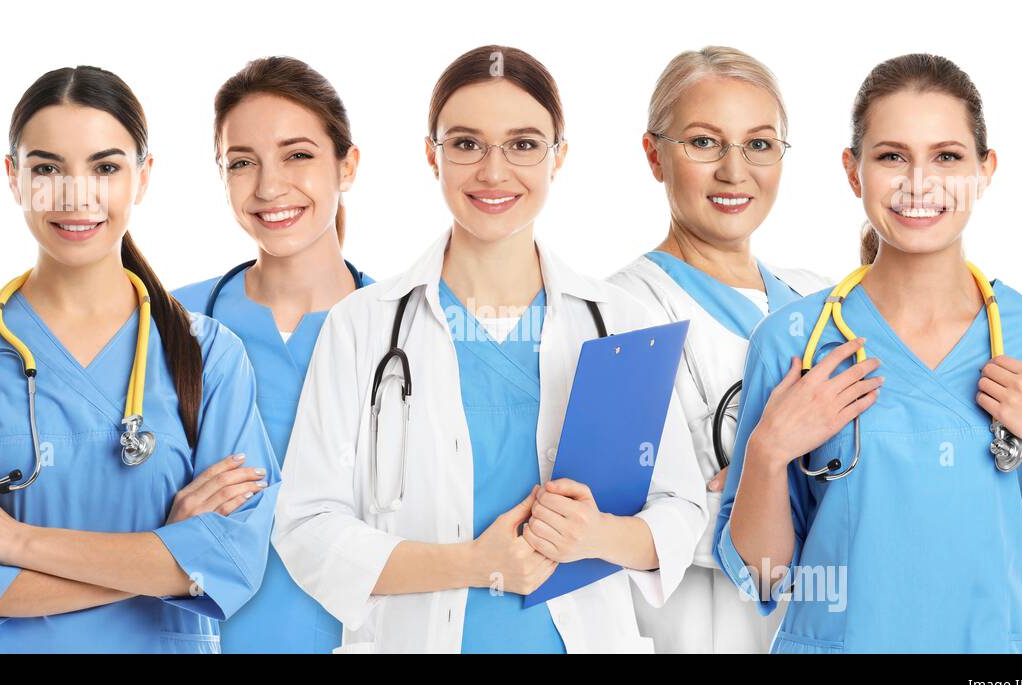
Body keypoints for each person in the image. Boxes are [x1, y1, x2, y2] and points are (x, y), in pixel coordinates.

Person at [274, 45, 707, 653]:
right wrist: (473, 564)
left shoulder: (619, 324)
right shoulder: (360, 328)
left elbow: (682, 510)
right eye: (467, 144)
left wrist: (597, 535)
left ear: (559, 157)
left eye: (524, 145)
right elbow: (306, 528)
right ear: (433, 155)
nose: (494, 172)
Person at [713, 54, 1022, 652]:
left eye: (947, 157)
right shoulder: (795, 340)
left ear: (985, 169)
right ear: (854, 172)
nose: (919, 183)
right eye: (892, 156)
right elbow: (765, 577)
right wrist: (767, 453)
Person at [0, 65, 278, 653]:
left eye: (105, 167)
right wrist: (162, 549)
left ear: (143, 177)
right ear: (13, 177)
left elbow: (228, 564)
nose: (76, 195)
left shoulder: (210, 357)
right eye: (47, 168)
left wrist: (13, 541)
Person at [609, 46, 830, 653]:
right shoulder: (617, 315)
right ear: (655, 155)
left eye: (759, 144)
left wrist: (748, 486)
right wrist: (773, 470)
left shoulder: (822, 300)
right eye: (704, 143)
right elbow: (617, 527)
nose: (735, 171)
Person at [174, 57, 370, 654]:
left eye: (298, 155)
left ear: (348, 165)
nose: (267, 186)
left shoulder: (404, 327)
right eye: (242, 163)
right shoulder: (171, 326)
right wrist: (167, 526)